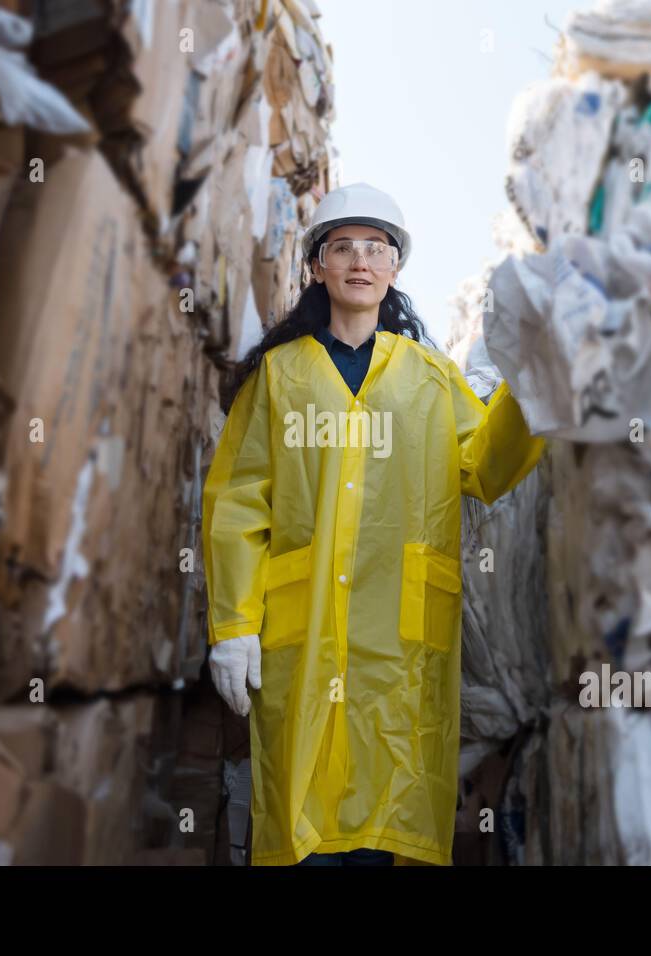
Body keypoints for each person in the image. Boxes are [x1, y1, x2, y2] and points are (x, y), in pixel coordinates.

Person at [201, 182, 545, 866]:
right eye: (343, 247)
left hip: (400, 644)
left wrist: (533, 385)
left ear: (394, 268)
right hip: (303, 639)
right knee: (305, 828)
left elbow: (485, 466)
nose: (360, 261)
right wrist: (235, 627)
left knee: (384, 832)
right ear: (317, 266)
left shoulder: (428, 377)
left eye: (376, 248)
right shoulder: (280, 376)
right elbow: (238, 501)